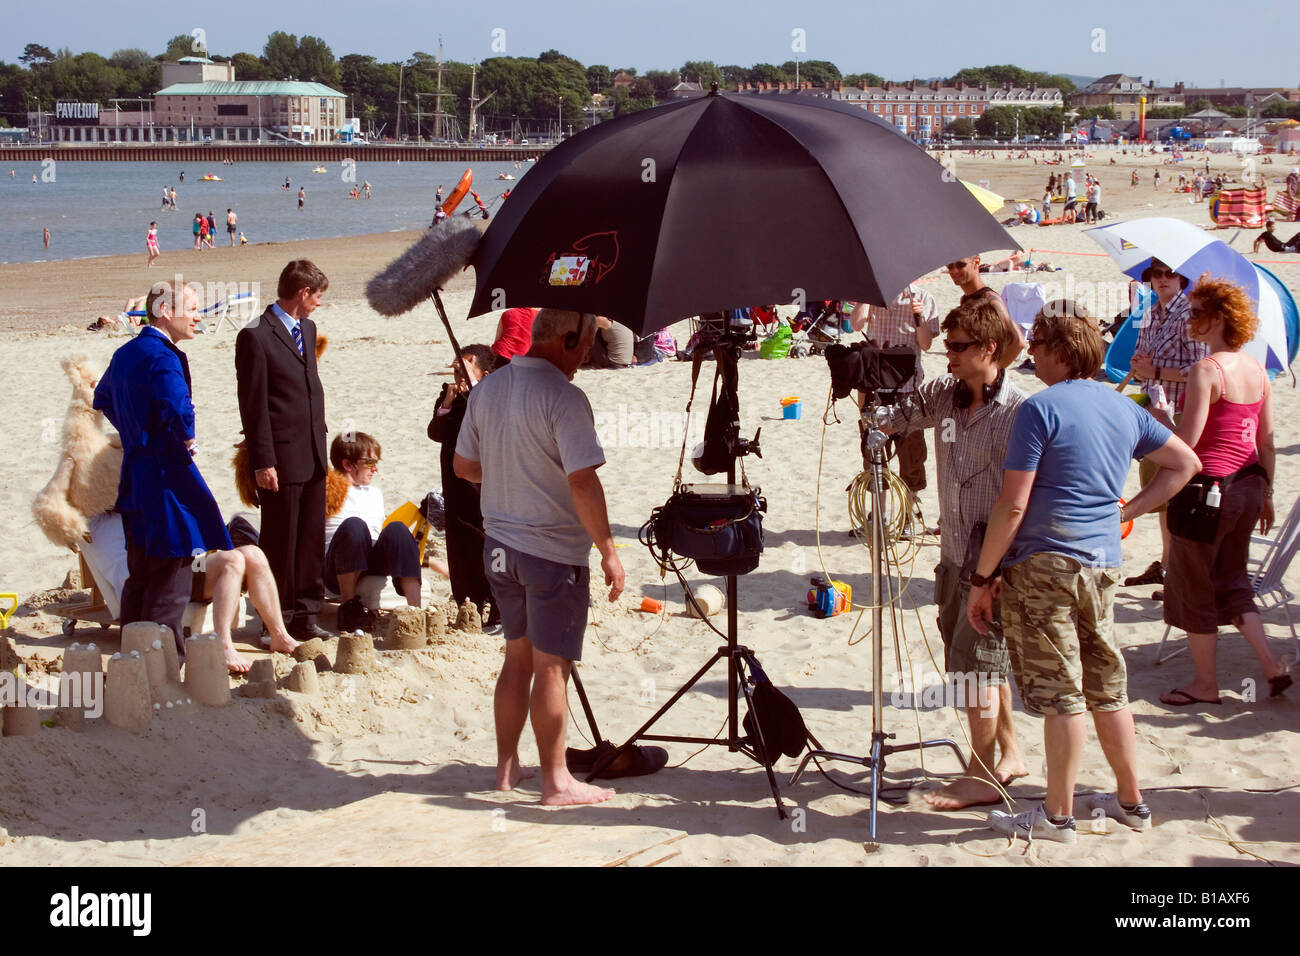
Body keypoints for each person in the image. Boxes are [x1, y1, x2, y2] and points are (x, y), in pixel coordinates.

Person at [966, 301, 1200, 843]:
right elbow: (1186, 463)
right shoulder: (1123, 409)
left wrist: (982, 578)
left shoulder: (1040, 408)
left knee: (1061, 693)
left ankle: (1057, 815)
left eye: (1038, 347)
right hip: (1101, 562)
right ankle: (1131, 801)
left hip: (1046, 562)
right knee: (1106, 685)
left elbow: (1013, 505)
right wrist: (1129, 510)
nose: (1033, 357)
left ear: (1055, 351)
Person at [453, 309, 625, 807]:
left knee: (517, 660)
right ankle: (556, 780)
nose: (587, 357)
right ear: (568, 340)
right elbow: (582, 481)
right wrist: (609, 550)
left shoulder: (488, 388)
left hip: (500, 547)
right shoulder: (564, 397)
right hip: (549, 551)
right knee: (553, 667)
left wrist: (513, 471)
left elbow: (465, 466)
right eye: (588, 345)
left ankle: (507, 769)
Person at [877, 298, 1029, 809]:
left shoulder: (1020, 411)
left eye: (959, 348)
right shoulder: (943, 394)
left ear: (990, 348)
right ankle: (1009, 753)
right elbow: (896, 417)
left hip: (996, 565)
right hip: (953, 555)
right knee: (979, 663)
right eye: (947, 348)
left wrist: (997, 572)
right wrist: (864, 396)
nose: (950, 357)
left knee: (975, 671)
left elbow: (1025, 499)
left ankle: (983, 775)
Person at [1146, 276, 1292, 705]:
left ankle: (1205, 684)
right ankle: (1269, 664)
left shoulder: (1206, 370)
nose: (1189, 320)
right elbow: (1264, 440)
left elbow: (1188, 442)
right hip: (1248, 486)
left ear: (1215, 319)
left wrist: (1158, 418)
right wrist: (1266, 492)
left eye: (1195, 313)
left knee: (1194, 585)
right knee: (1233, 579)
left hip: (1208, 493)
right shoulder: (1258, 370)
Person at [93, 282, 233, 657]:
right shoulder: (164, 355)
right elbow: (176, 409)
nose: (199, 316)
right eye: (193, 308)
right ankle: (164, 666)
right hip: (166, 476)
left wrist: (132, 429)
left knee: (140, 573)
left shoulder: (125, 352)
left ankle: (131, 660)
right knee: (172, 572)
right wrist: (186, 439)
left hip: (135, 476)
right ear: (166, 311)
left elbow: (102, 396)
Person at [236, 260, 330, 641]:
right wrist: (263, 461)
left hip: (312, 451)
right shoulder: (255, 335)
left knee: (310, 541)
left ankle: (307, 617)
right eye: (318, 296)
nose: (319, 304)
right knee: (280, 542)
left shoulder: (307, 328)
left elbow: (309, 386)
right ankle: (275, 619)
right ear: (303, 293)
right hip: (279, 457)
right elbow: (252, 404)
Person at [1125, 259, 1208, 592]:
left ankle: (1175, 567)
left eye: (1169, 273)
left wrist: (1157, 371)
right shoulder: (1149, 312)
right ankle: (1167, 563)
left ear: (1181, 278)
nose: (1162, 279)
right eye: (1156, 274)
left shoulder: (1189, 315)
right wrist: (1138, 365)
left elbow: (1200, 370)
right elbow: (1139, 355)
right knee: (1161, 490)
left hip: (1181, 413)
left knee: (1175, 490)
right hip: (1154, 410)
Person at [428, 344, 500, 631]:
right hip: (454, 479)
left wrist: (472, 394)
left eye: (466, 362)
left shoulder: (489, 395)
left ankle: (497, 603)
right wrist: (447, 402)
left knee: (486, 538)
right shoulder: (451, 395)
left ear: (481, 370)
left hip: (483, 480)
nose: (458, 366)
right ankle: (467, 602)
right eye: (457, 361)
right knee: (459, 542)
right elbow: (435, 432)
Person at [324, 431, 423, 632]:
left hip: (371, 558)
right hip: (337, 563)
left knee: (398, 529)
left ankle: (416, 612)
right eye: (370, 463)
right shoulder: (324, 488)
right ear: (348, 464)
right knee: (355, 525)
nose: (376, 468)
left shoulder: (375, 493)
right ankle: (349, 608)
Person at [848, 282, 939, 496]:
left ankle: (907, 517)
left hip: (908, 387)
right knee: (874, 454)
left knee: (911, 454)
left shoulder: (923, 297)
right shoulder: (873, 295)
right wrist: (865, 297)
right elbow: (856, 325)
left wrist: (919, 317)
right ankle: (878, 515)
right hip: (875, 385)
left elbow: (926, 344)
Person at [944, 254, 1028, 367]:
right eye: (950, 266)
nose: (954, 270)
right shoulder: (965, 299)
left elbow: (1018, 342)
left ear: (976, 262)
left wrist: (994, 373)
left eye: (961, 265)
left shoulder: (990, 300)